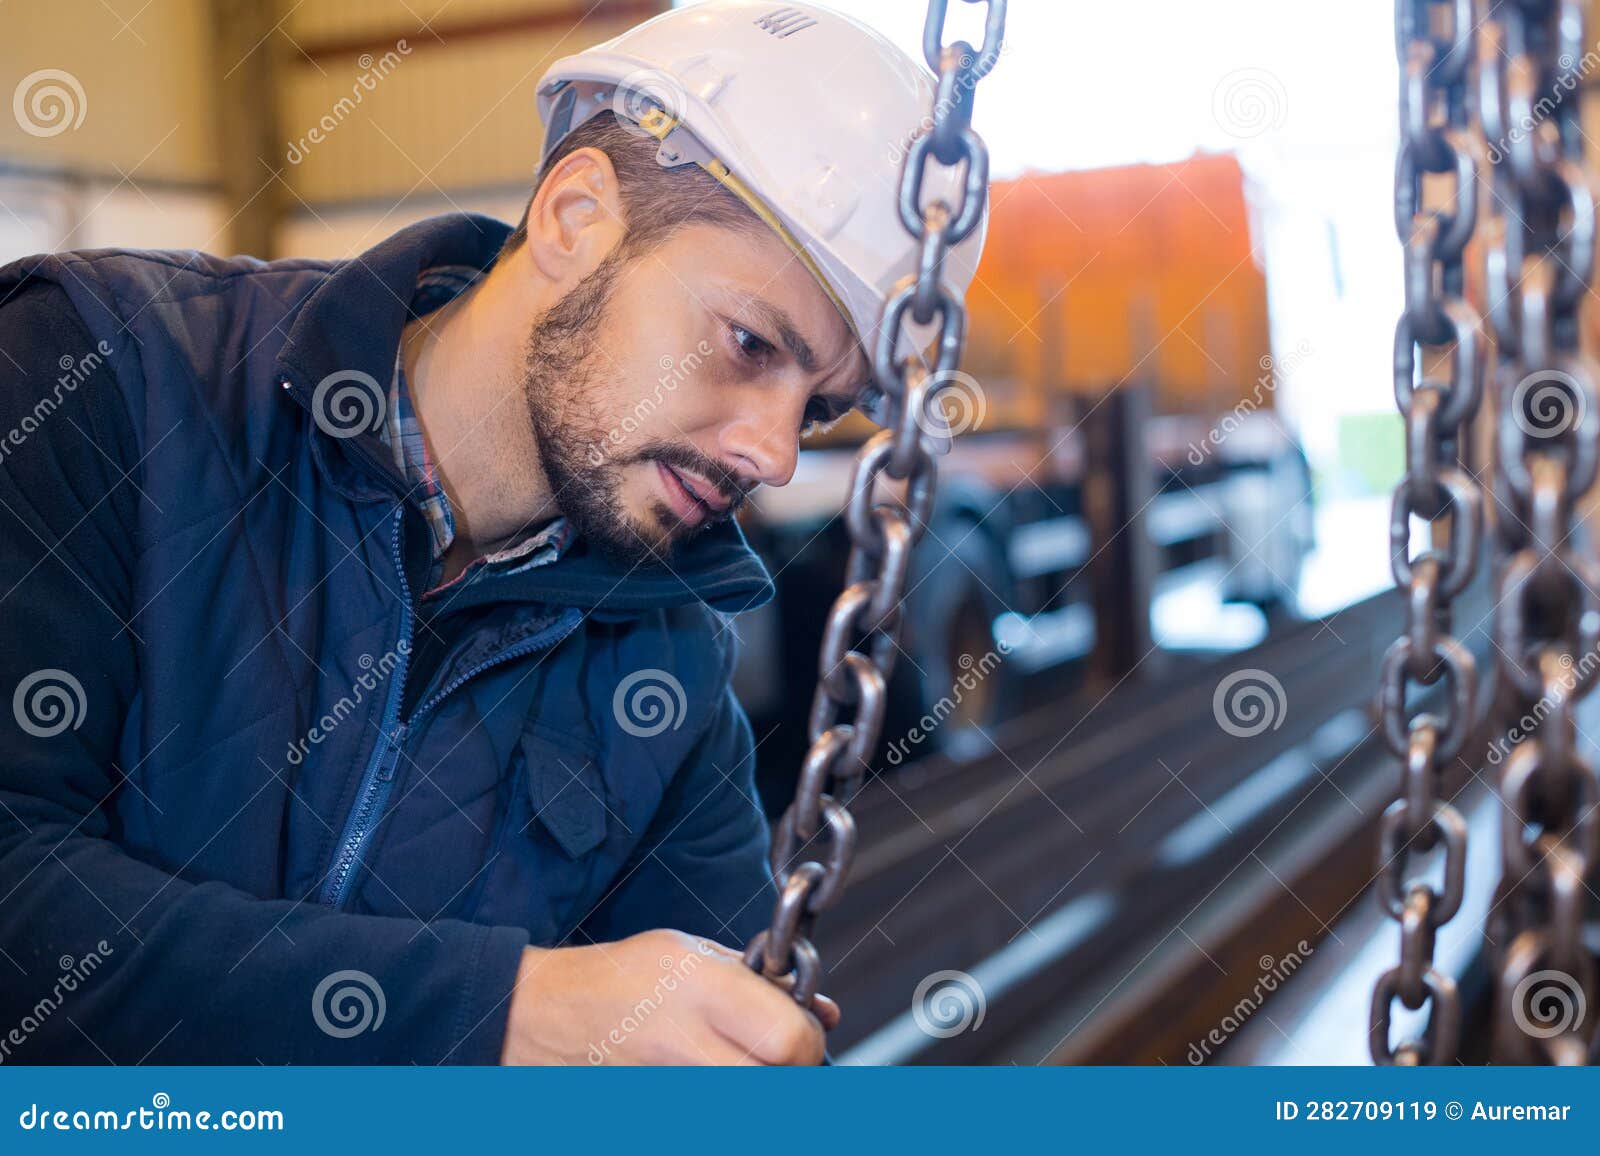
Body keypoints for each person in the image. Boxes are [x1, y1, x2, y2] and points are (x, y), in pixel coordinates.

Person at [0, 0, 983, 1065]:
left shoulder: (665, 672)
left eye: (817, 406)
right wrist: (503, 1009)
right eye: (748, 344)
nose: (775, 453)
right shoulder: (99, 374)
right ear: (574, 219)